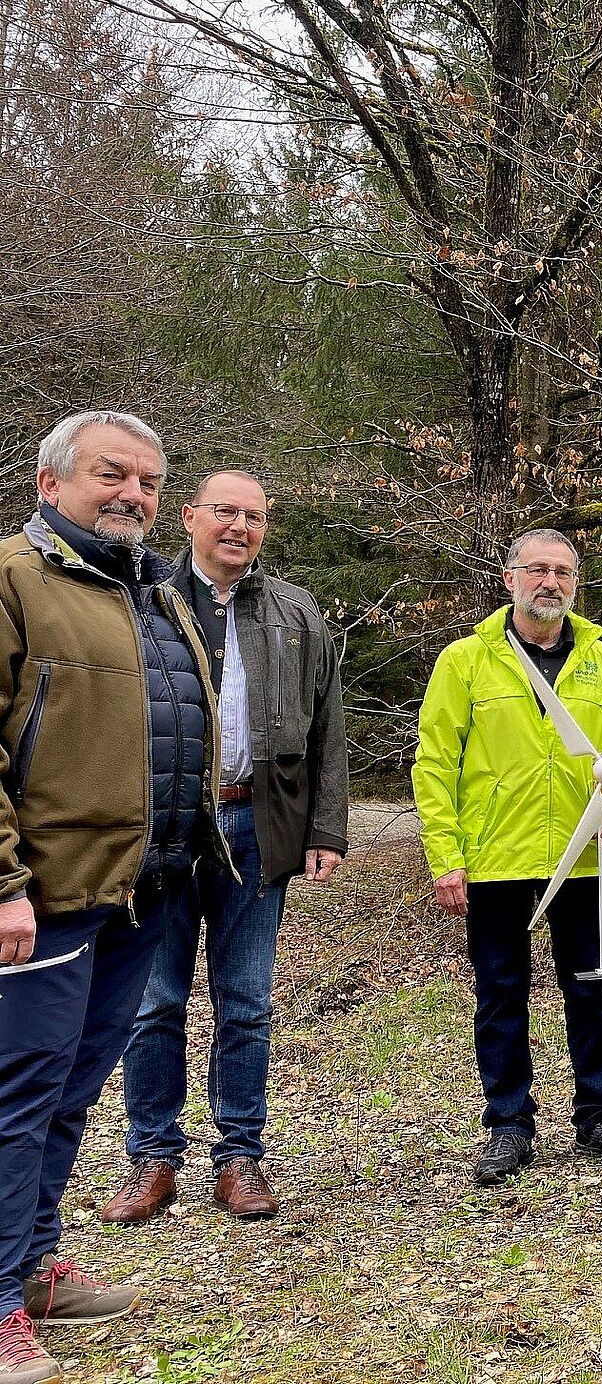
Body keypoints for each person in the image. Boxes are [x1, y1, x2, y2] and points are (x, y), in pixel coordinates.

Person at [0, 411, 226, 1384]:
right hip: (42, 897)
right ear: (51, 483)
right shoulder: (14, 578)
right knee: (16, 1098)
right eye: (110, 474)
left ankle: (35, 1265)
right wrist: (4, 885)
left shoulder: (153, 590)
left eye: (147, 480)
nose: (132, 493)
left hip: (138, 896)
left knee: (69, 1093)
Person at [102, 470, 349, 1226]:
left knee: (245, 1002)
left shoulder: (295, 612)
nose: (239, 527)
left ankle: (240, 1155)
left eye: (255, 516)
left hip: (254, 825)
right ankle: (152, 1156)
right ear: (189, 517)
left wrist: (324, 829)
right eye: (225, 512)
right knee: (155, 1001)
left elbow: (326, 726)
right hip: (164, 828)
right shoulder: (141, 600)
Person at [413, 528, 602, 1187]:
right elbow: (434, 763)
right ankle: (509, 1123)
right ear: (510, 578)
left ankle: (599, 1114)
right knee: (500, 993)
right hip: (495, 856)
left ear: (576, 583)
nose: (551, 583)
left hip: (582, 855)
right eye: (538, 570)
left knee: (592, 988)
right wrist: (446, 856)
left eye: (564, 572)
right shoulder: (466, 660)